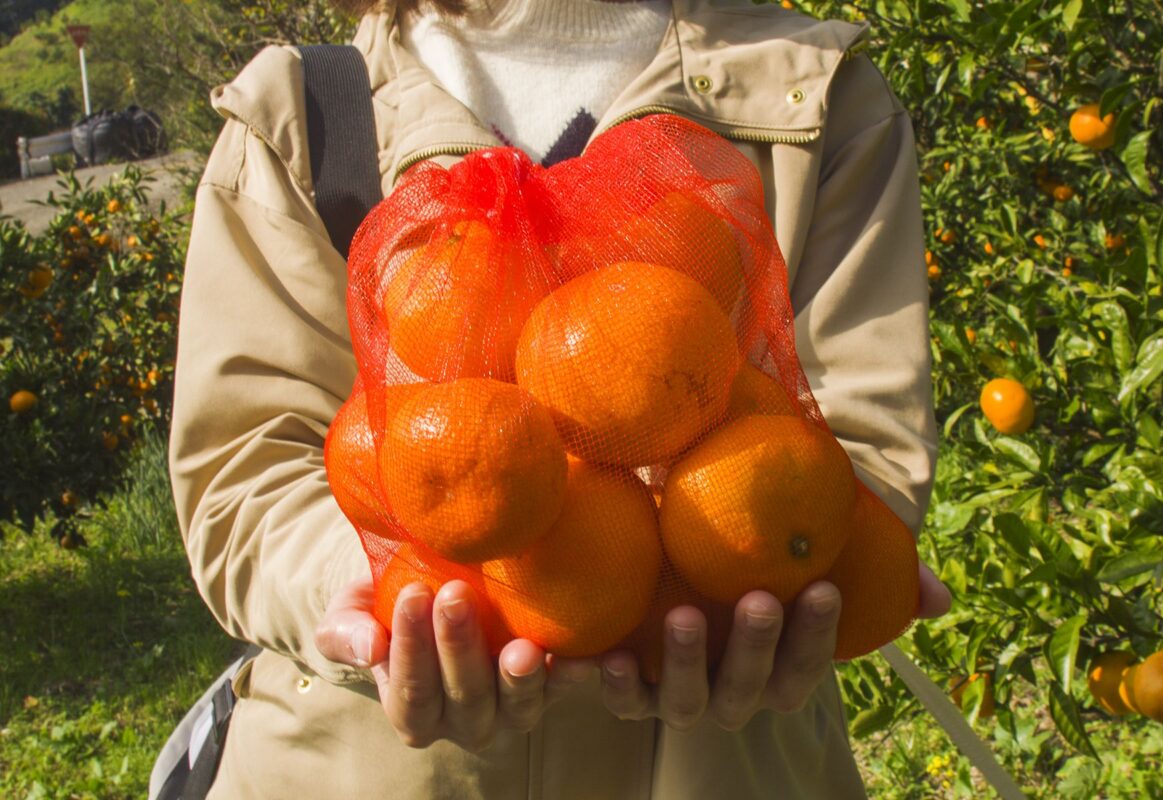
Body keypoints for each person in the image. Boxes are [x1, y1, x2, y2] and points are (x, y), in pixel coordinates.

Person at [168, 0, 952, 797]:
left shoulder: (814, 92)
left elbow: (859, 437)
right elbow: (247, 463)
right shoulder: (309, 118)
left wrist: (800, 587)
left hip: (728, 754)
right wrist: (377, 595)